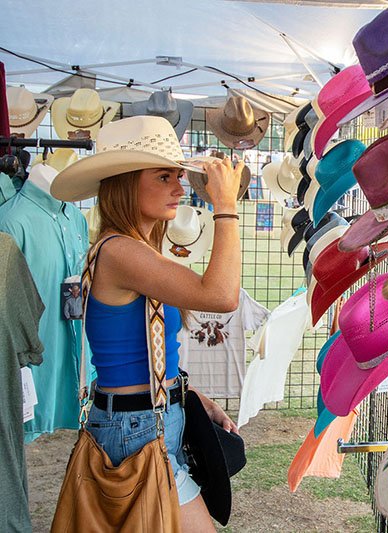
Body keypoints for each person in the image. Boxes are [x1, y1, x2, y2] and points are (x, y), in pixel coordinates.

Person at [50, 116, 243, 532]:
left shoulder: (134, 250)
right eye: (163, 177)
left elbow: (141, 349)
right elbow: (221, 295)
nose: (179, 187)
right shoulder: (121, 252)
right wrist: (225, 207)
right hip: (135, 429)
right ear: (124, 182)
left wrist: (184, 392)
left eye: (178, 175)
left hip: (144, 420)